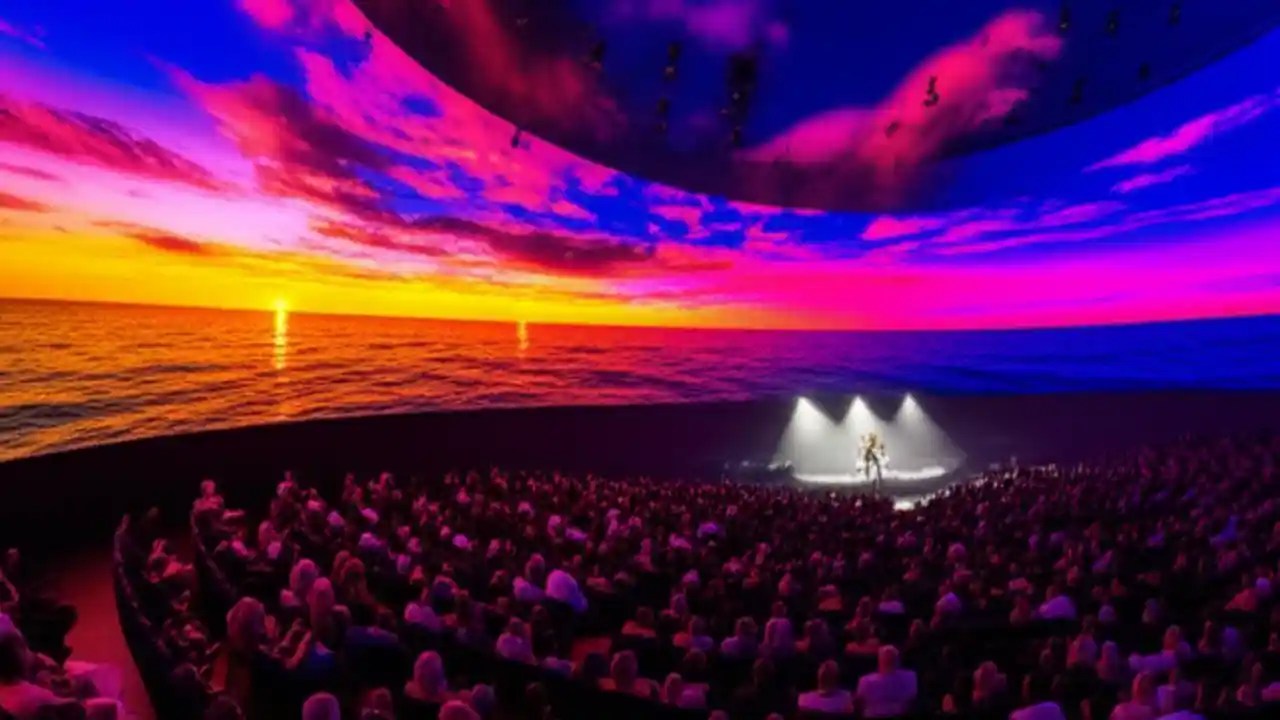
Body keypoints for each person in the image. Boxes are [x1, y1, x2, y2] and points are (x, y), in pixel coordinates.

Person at [856, 646, 917, 718]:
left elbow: (912, 699)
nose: (889, 660)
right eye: (887, 659)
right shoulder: (866, 680)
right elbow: (860, 702)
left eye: (891, 659)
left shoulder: (909, 677)